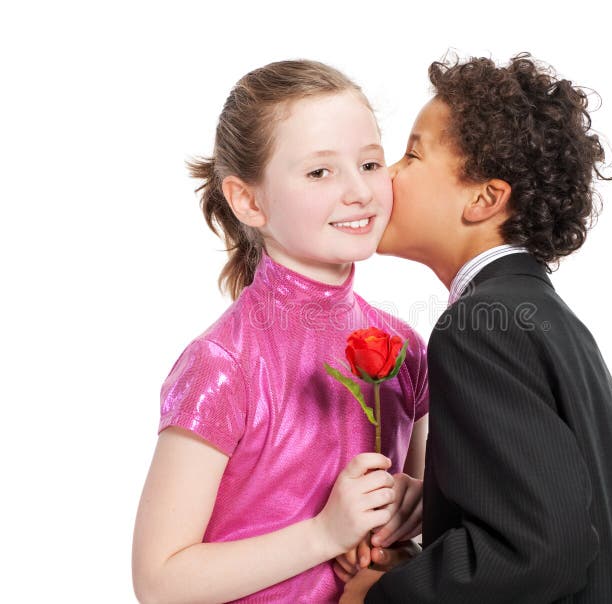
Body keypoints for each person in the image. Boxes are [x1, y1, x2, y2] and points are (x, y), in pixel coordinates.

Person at [342, 53, 612, 603]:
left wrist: (382, 595)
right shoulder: (543, 316)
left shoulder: (477, 327)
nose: (388, 174)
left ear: (483, 199)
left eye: (411, 154)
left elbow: (541, 551)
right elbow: (585, 509)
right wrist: (436, 498)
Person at [131, 60, 429, 604]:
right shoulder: (222, 363)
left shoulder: (405, 348)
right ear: (249, 200)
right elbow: (159, 582)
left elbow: (426, 538)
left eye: (369, 163)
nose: (359, 191)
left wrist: (411, 513)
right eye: (320, 172)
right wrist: (323, 534)